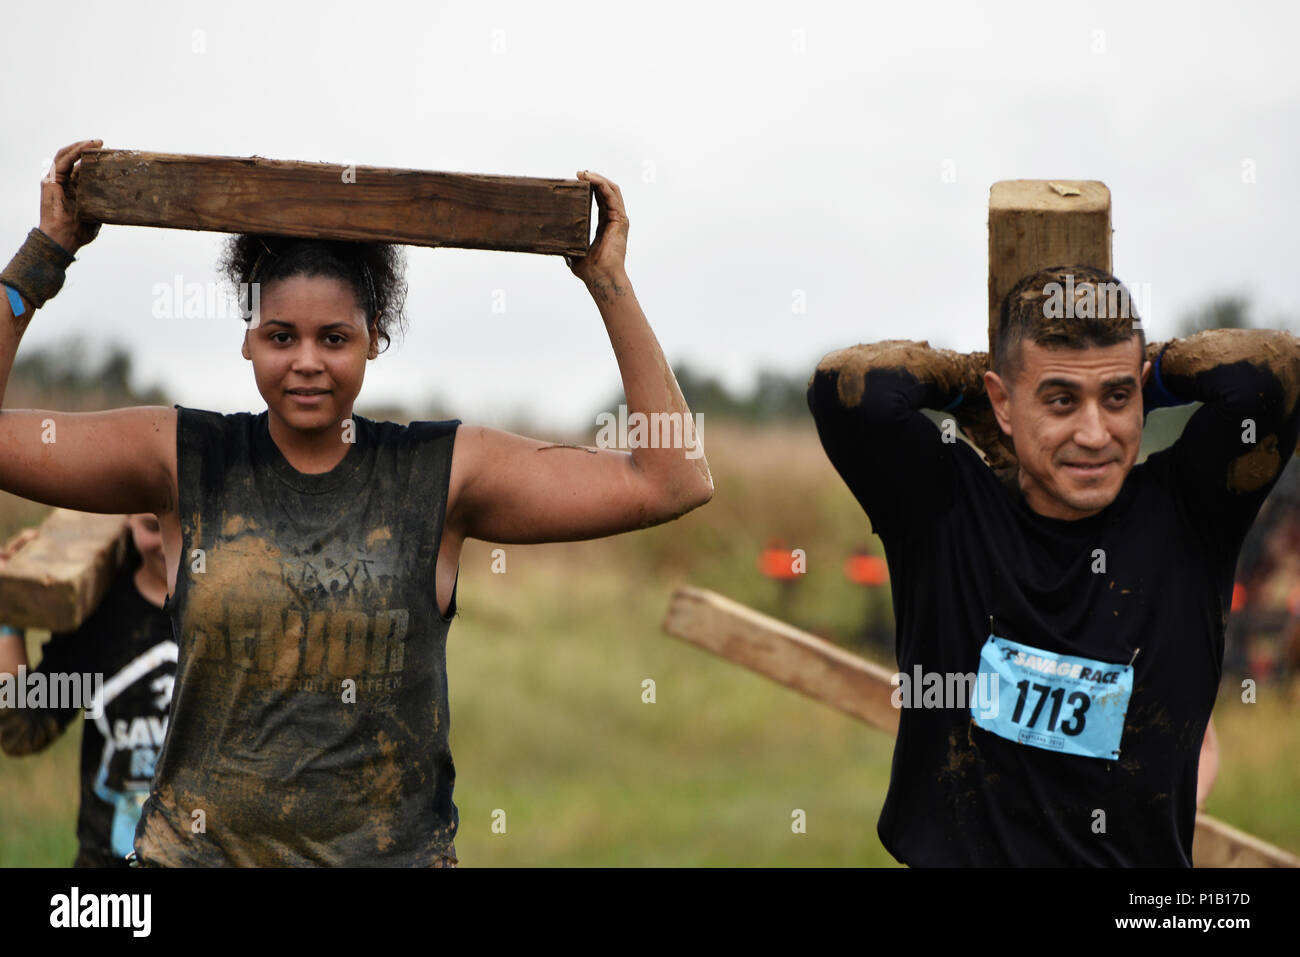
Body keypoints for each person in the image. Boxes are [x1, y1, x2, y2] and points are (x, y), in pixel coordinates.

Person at [0, 140, 713, 866]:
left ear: (375, 339)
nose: (306, 359)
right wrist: (43, 256)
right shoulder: (184, 459)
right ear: (247, 340)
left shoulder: (441, 473)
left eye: (333, 337)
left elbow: (673, 478)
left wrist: (607, 280)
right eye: (282, 335)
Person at [807, 264, 1300, 866]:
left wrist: (1155, 375)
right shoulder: (943, 509)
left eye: (1117, 397)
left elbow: (1274, 371)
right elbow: (853, 388)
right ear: (1002, 404)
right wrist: (975, 380)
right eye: (1060, 399)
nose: (1094, 434)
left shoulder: (1192, 513)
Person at [0, 514, 176, 867]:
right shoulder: (100, 618)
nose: (170, 542)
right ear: (127, 521)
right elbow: (21, 727)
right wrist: (10, 611)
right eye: (152, 527)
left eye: (187, 523)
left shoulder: (231, 620)